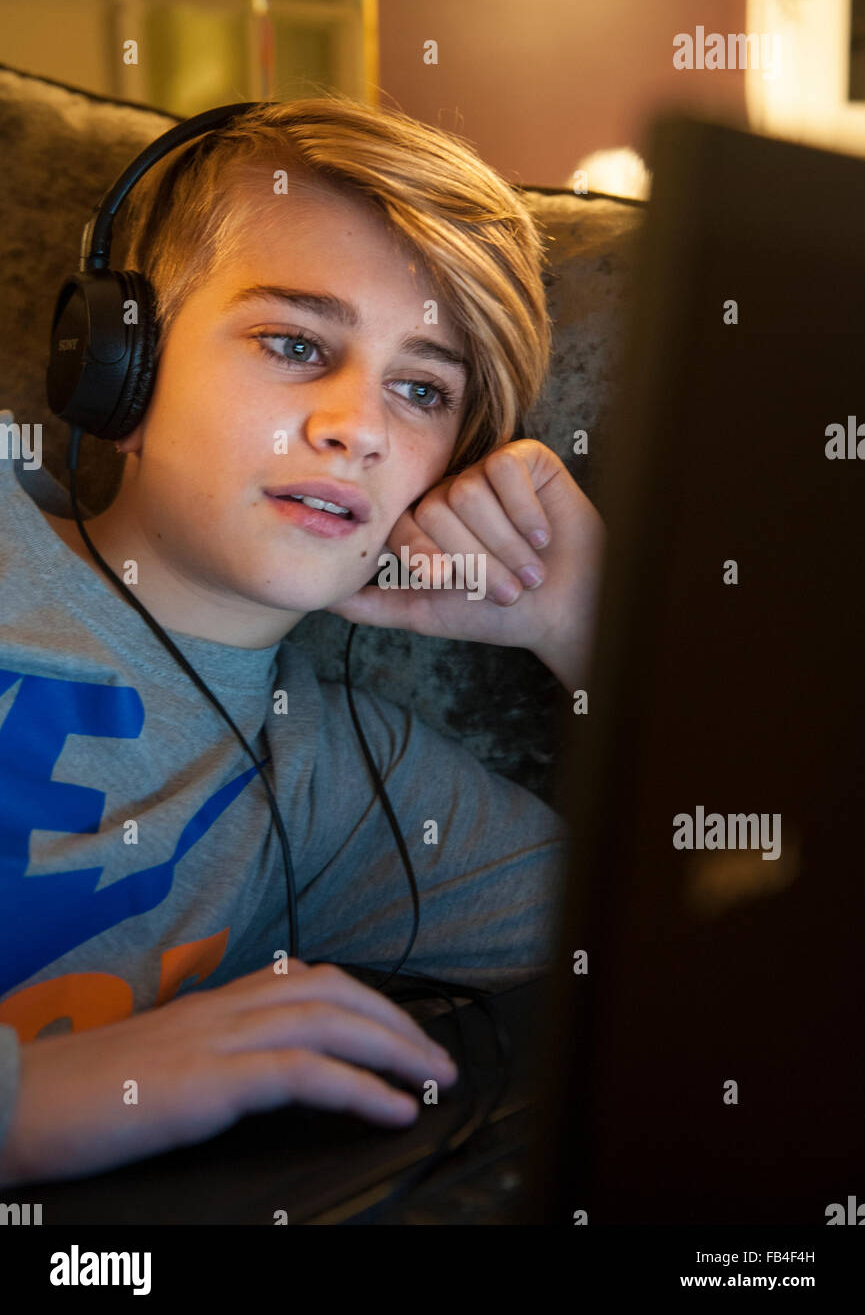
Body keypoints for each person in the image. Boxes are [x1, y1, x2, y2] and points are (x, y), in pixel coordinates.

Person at [0, 96, 603, 1189]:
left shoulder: (345, 789)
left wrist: (591, 623)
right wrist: (38, 1100)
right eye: (295, 343)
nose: (358, 426)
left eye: (421, 389)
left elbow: (747, 958)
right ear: (114, 365)